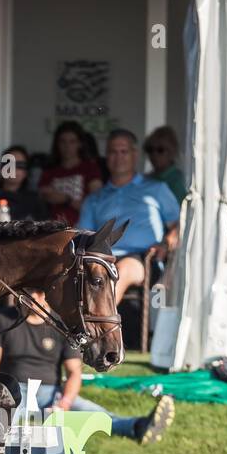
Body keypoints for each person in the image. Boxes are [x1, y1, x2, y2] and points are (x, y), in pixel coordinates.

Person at [0, 290, 174, 446]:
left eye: (40, 293)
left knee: (93, 411)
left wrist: (64, 403)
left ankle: (136, 426)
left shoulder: (60, 325)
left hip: (52, 393)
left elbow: (74, 372)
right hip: (15, 390)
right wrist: (4, 395)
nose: (35, 299)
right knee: (8, 423)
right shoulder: (1, 320)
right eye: (30, 293)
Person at [78, 129, 180, 325]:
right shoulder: (95, 199)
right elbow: (84, 236)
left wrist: (166, 244)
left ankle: (95, 327)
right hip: (102, 258)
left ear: (135, 155)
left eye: (124, 152)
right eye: (113, 152)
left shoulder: (156, 189)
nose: (118, 157)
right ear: (106, 157)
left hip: (144, 259)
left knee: (121, 271)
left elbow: (179, 225)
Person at [37, 121, 103, 226]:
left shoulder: (90, 168)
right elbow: (41, 198)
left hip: (82, 229)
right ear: (57, 144)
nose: (67, 146)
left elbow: (97, 207)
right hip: (52, 229)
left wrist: (67, 199)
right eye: (63, 142)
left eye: (72, 142)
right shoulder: (50, 170)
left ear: (80, 144)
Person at [143, 125, 187, 203]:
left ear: (172, 151)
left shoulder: (177, 181)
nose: (154, 154)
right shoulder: (147, 179)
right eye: (150, 150)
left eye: (160, 150)